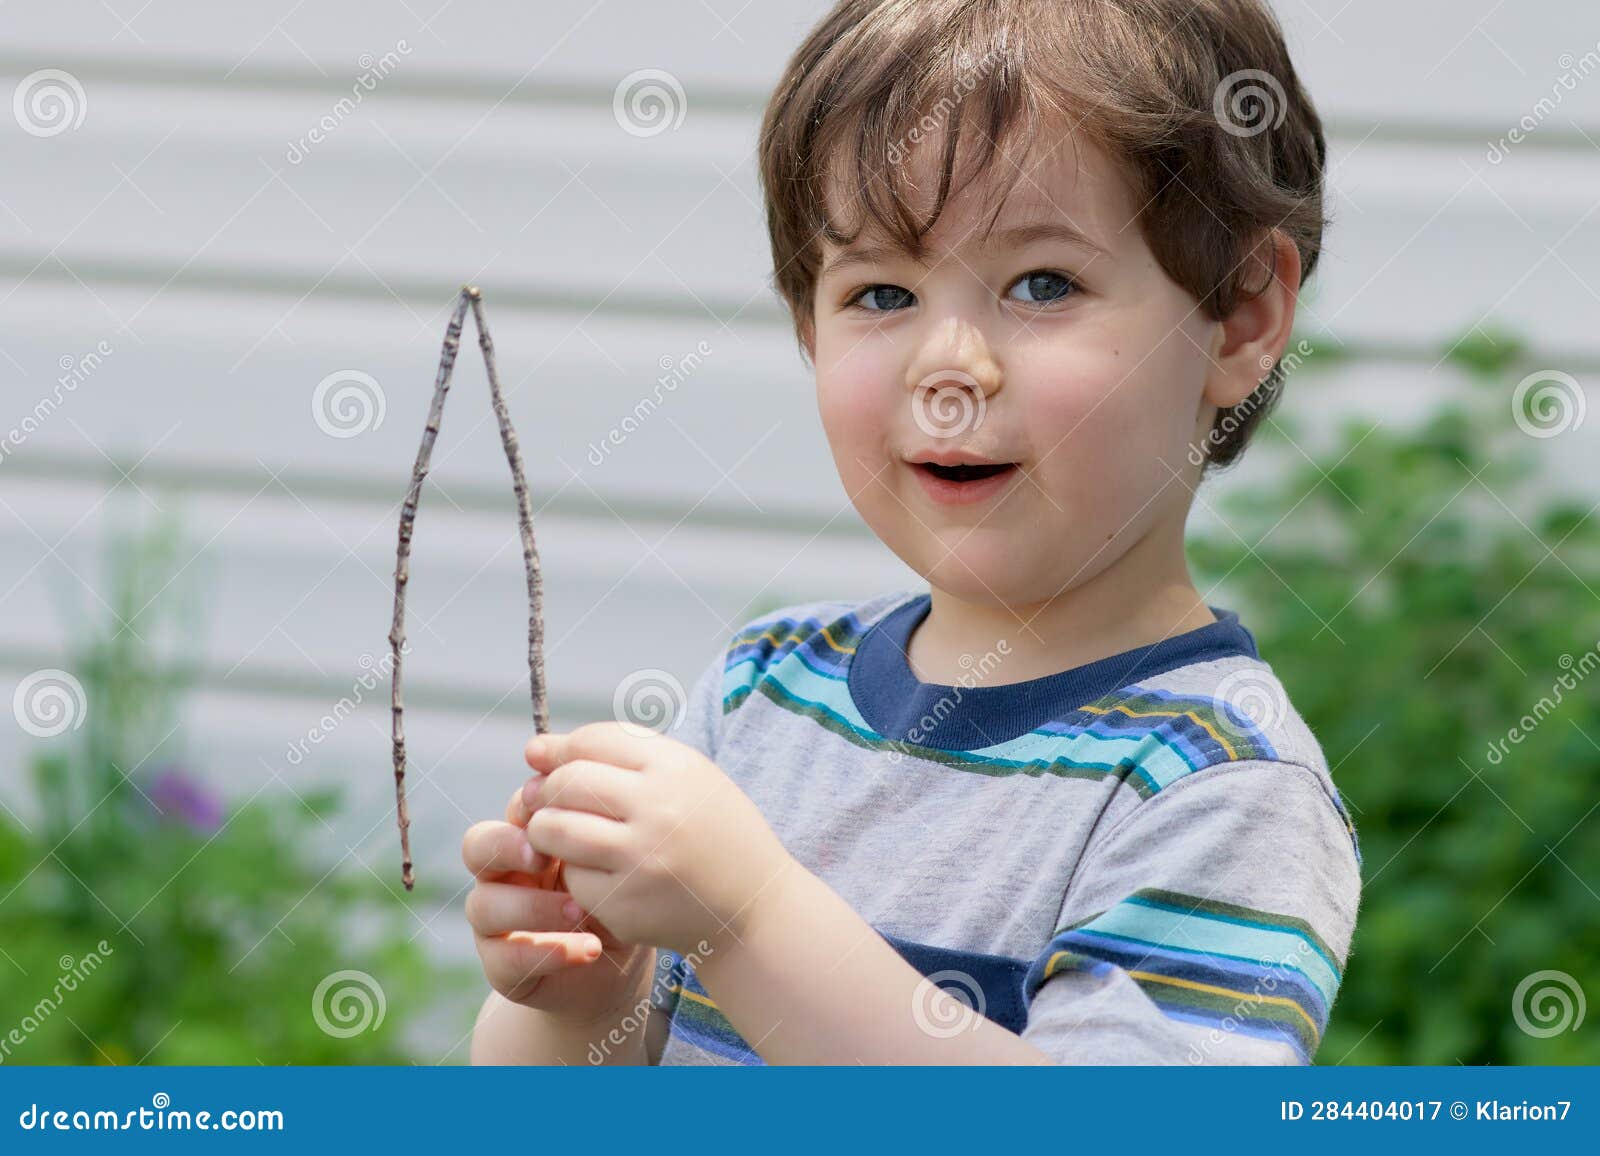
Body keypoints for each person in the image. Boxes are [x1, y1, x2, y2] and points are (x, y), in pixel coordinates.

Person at [464, 0, 1361, 1065]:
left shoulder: (1218, 782)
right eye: (881, 291)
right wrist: (573, 1002)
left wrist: (748, 916)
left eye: (1043, 284)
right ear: (808, 326)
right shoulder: (761, 694)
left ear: (1241, 316)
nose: (949, 365)